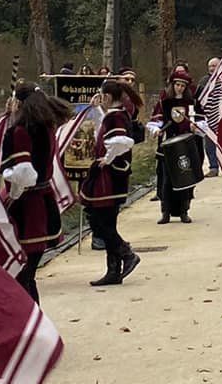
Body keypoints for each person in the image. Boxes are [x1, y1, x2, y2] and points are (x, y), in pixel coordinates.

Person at [0, 85, 74, 300]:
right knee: (27, 276)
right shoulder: (46, 127)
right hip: (44, 202)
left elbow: (24, 173)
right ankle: (34, 317)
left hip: (28, 209)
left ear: (19, 103)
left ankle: (31, 318)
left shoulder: (21, 131)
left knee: (22, 276)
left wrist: (13, 196)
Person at [77, 80, 143, 284]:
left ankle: (126, 254)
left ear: (107, 96)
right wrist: (96, 108)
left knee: (100, 222)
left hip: (108, 178)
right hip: (113, 176)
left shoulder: (116, 116)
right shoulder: (116, 114)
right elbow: (104, 130)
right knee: (107, 222)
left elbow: (120, 141)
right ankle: (113, 271)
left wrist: (108, 158)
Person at [152, 65, 202, 224]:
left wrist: (195, 127)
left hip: (186, 145)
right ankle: (165, 212)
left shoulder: (191, 102)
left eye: (182, 85)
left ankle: (183, 211)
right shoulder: (164, 102)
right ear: (172, 85)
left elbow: (201, 121)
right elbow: (156, 120)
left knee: (186, 179)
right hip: (168, 146)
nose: (179, 88)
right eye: (177, 85)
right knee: (167, 180)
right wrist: (156, 129)